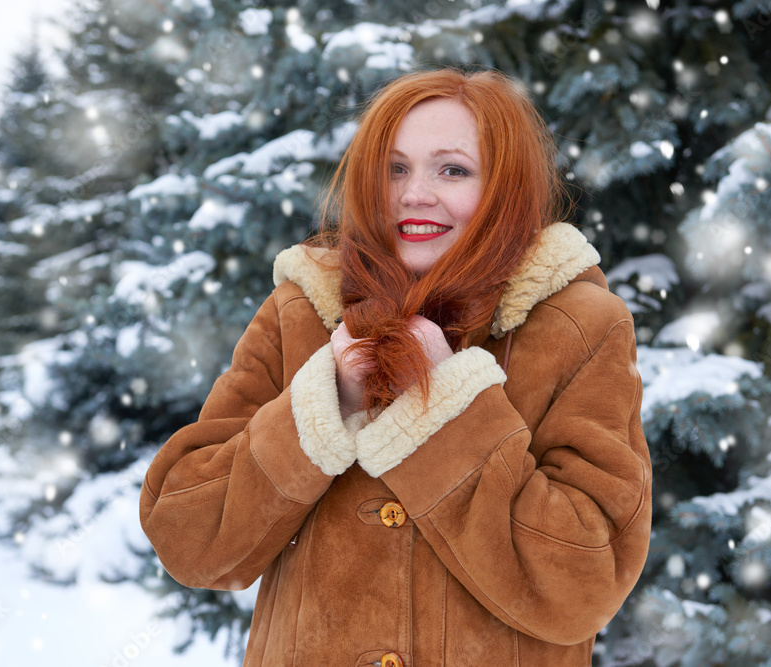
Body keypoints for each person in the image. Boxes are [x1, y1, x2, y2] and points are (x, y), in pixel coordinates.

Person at [139, 66, 651, 666]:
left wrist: (449, 411)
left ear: (505, 187)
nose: (414, 195)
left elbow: (583, 582)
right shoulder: (303, 312)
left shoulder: (580, 327)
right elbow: (189, 539)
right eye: (395, 168)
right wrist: (327, 401)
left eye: (453, 170)